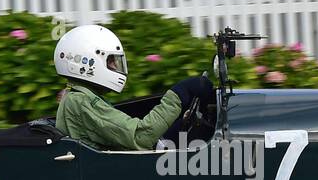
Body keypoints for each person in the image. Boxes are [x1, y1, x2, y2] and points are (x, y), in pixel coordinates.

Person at [53, 24, 212, 151]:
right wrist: (179, 95)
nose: (115, 66)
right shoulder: (81, 102)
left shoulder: (81, 98)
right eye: (111, 61)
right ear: (86, 62)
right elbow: (140, 137)